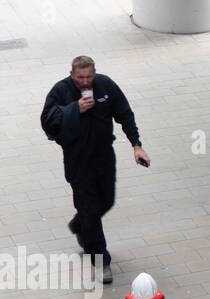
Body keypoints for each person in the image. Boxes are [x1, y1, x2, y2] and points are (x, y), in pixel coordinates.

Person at [39, 56, 150, 284]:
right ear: (71, 74)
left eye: (89, 76)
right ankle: (101, 263)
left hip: (103, 156)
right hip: (77, 160)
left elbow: (125, 114)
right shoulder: (60, 91)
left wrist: (136, 145)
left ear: (95, 72)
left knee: (106, 200)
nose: (85, 82)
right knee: (89, 209)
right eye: (80, 77)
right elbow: (48, 122)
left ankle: (80, 226)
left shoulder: (105, 85)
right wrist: (74, 109)